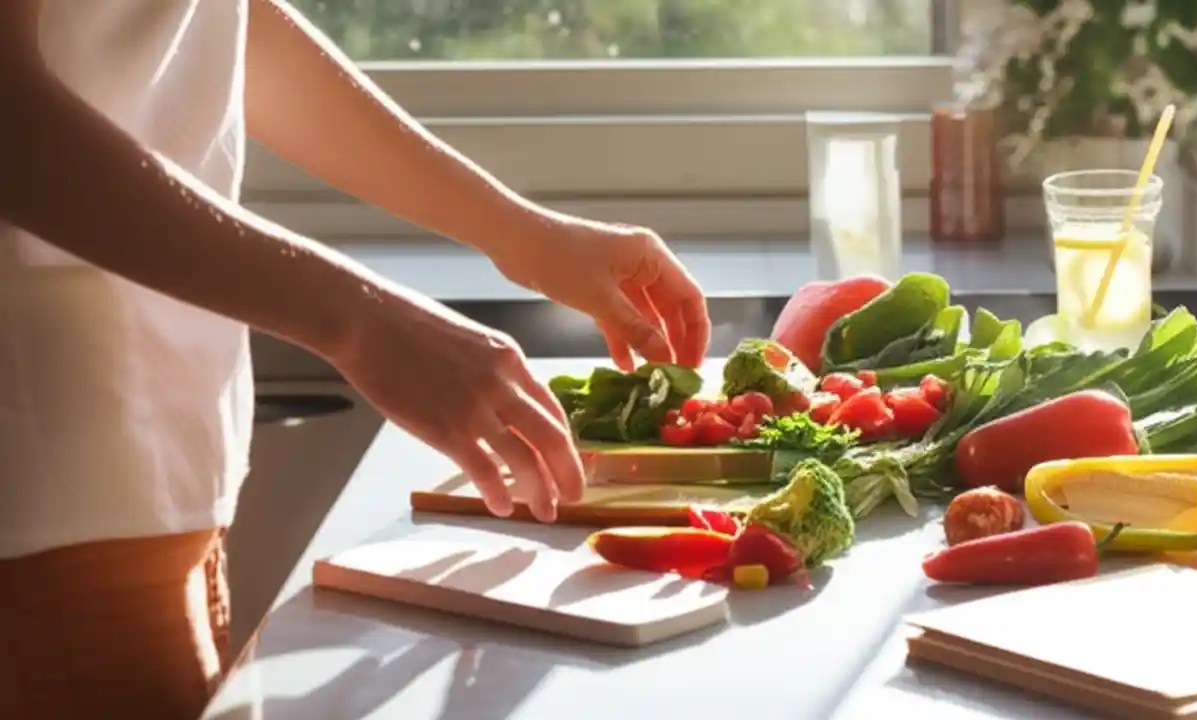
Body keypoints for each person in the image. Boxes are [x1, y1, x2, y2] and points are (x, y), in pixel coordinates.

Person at [0, 1, 710, 717]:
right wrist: (365, 323)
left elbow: (210, 21)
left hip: (149, 465)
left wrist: (518, 233)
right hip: (48, 479)